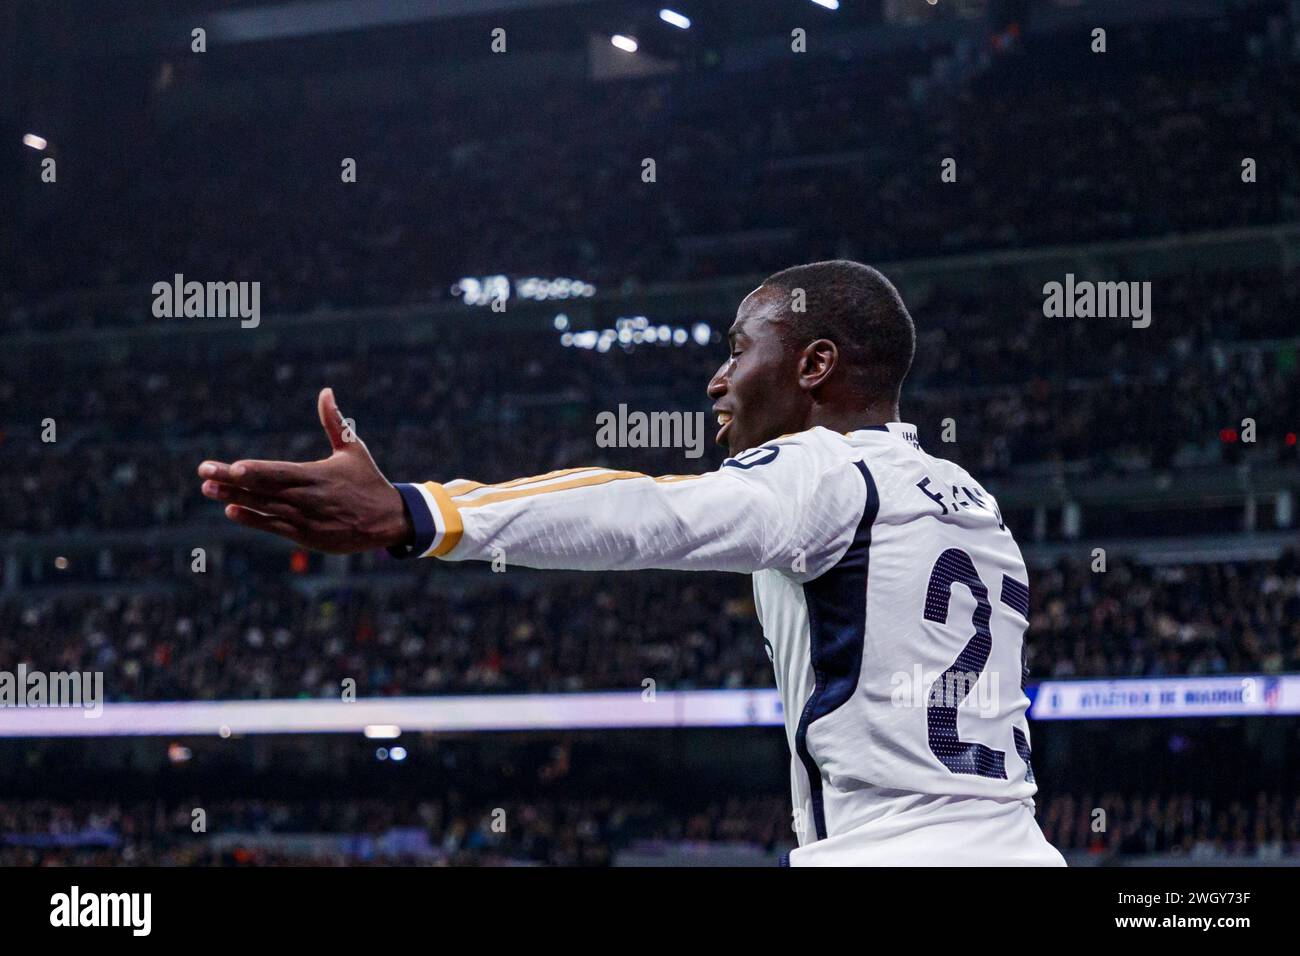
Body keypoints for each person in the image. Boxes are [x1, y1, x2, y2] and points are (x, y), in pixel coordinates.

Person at [198, 259, 1064, 865]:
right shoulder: (971, 501)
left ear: (815, 365)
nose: (717, 381)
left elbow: (647, 512)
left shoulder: (822, 469)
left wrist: (416, 512)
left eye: (737, 349)